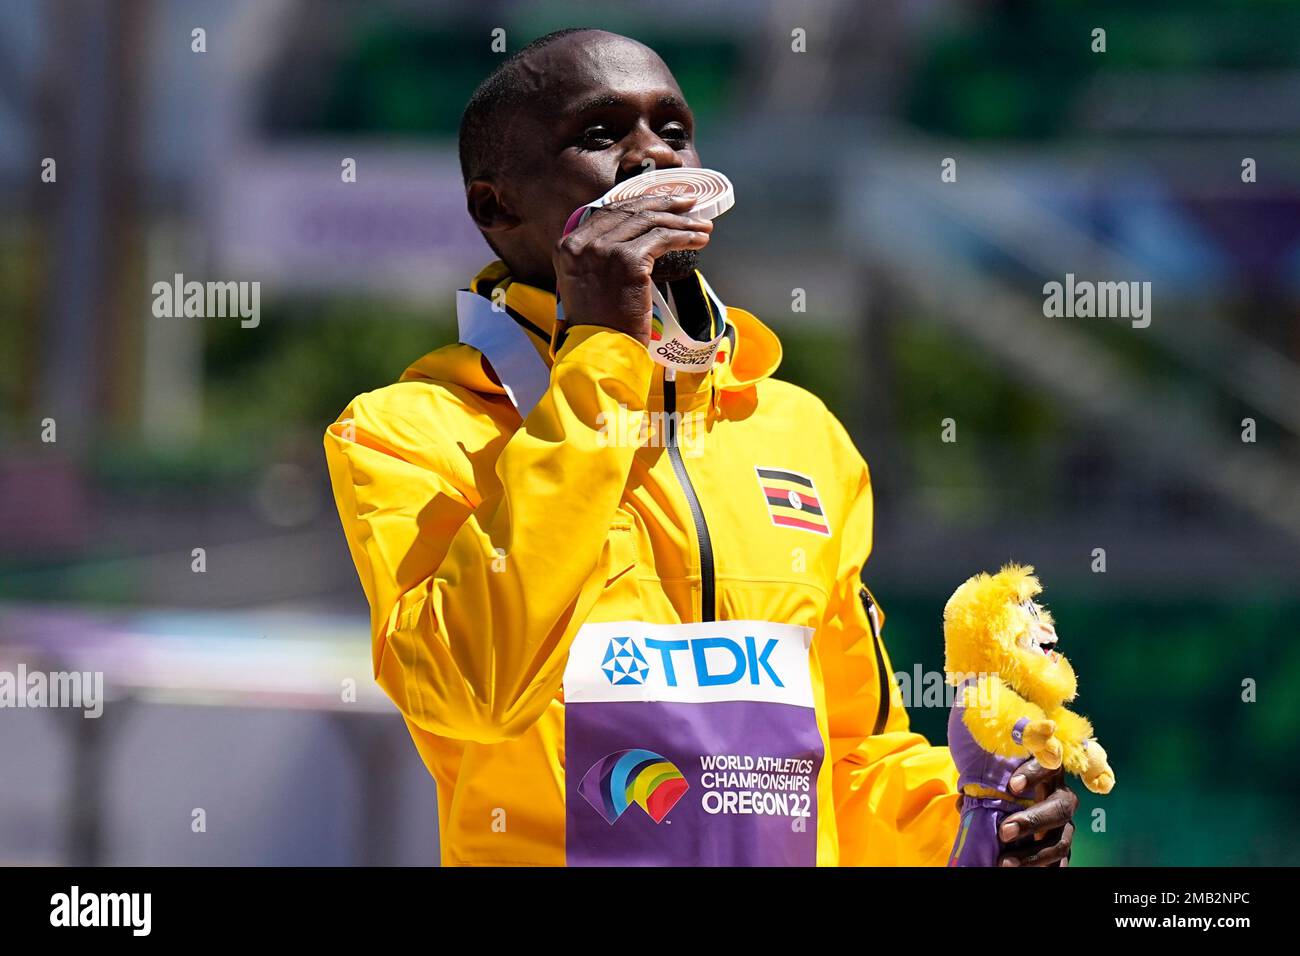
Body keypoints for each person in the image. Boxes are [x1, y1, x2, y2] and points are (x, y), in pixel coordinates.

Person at [324, 27, 1078, 866]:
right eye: (602, 135)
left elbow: (848, 760)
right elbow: (471, 691)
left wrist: (975, 823)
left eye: (674, 130)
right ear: (496, 208)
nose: (653, 156)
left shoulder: (802, 432)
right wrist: (604, 350)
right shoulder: (408, 432)